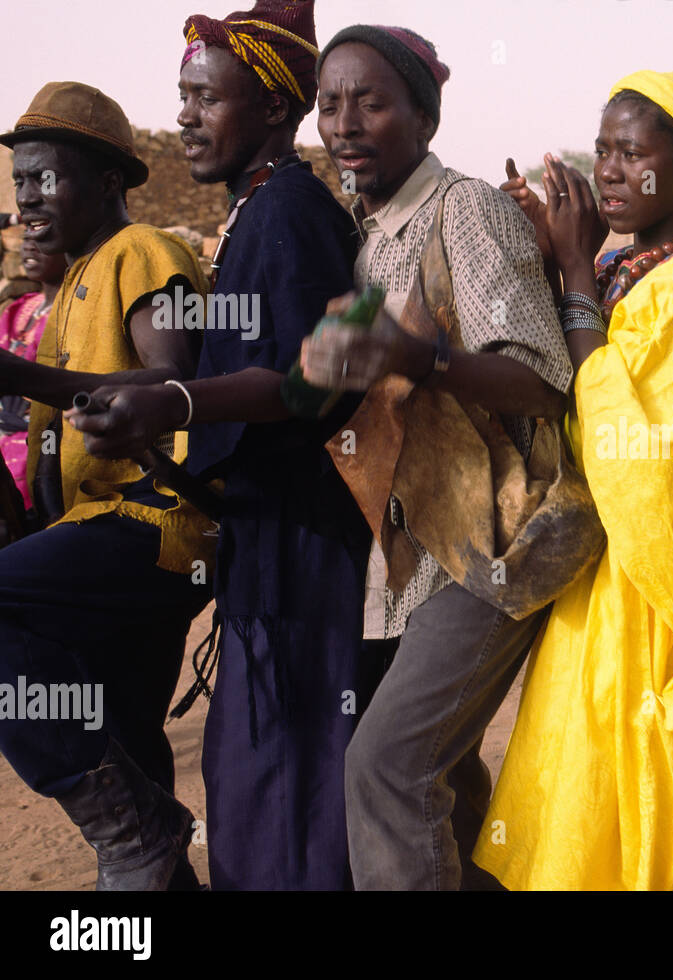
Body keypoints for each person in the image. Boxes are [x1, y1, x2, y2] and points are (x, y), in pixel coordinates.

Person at [469, 70, 673, 890]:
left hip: (649, 579)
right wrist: (554, 264)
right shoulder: (641, 266)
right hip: (608, 571)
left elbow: (622, 435)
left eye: (631, 152)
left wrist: (577, 266)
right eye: (604, 149)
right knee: (577, 780)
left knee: (619, 780)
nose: (609, 170)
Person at [72, 0, 374, 890]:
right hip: (269, 546)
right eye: (183, 97)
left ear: (276, 110)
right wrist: (39, 384)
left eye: (205, 98)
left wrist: (170, 402)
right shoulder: (257, 213)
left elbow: (299, 385)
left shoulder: (285, 213)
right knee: (262, 783)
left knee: (292, 790)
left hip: (306, 554)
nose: (185, 118)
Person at [297, 25, 574, 891]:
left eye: (371, 102)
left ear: (423, 114)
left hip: (498, 541)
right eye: (330, 103)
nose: (344, 122)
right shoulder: (367, 229)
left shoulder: (465, 211)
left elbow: (540, 381)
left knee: (385, 768)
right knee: (444, 789)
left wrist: (418, 358)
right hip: (422, 544)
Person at [0, 82, 212, 890]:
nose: (29, 199)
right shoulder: (73, 280)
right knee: (124, 728)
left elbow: (172, 378)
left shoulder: (145, 251)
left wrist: (16, 374)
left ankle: (137, 835)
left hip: (155, 522)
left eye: (47, 179)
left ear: (108, 183)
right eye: (21, 183)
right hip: (96, 531)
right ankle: (151, 854)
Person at [0, 236, 65, 513]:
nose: (27, 245)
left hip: (38, 431)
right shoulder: (19, 308)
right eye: (24, 237)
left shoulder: (75, 311)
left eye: (39, 237)